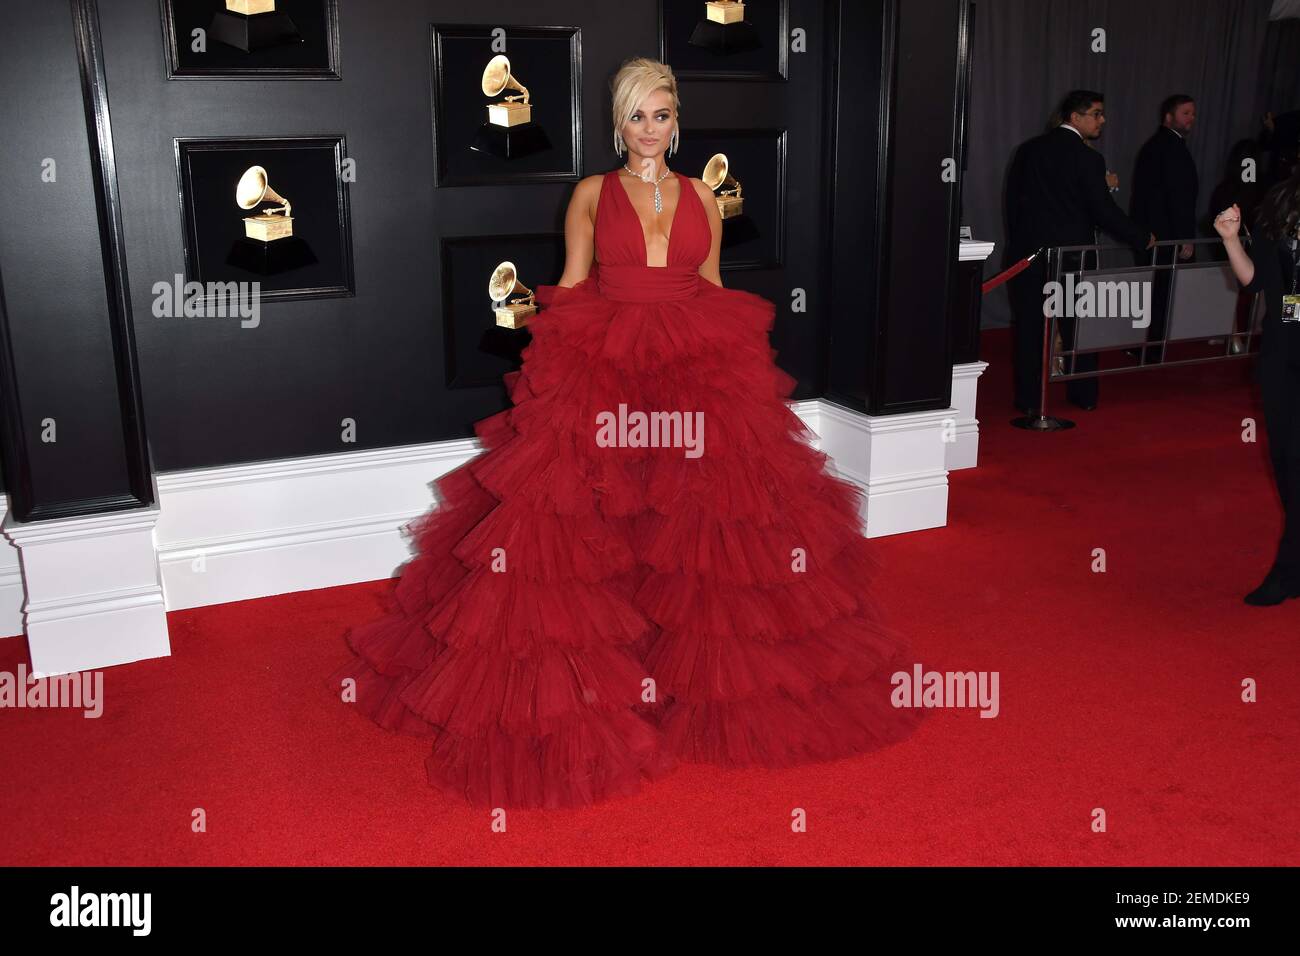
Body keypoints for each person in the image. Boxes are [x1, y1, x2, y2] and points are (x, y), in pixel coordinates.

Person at [328, 57, 923, 809]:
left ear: (679, 122)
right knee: (583, 522)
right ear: (618, 122)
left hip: (694, 366)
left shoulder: (703, 194)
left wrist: (737, 369)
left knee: (708, 528)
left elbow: (710, 285)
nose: (651, 129)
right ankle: (597, 681)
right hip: (604, 364)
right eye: (638, 115)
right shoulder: (589, 194)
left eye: (663, 115)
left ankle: (696, 683)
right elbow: (574, 283)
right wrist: (550, 376)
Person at [1007, 90, 1155, 414]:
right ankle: (1083, 395)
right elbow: (1103, 211)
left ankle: (1028, 399)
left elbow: (1013, 206)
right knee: (1081, 328)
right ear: (1076, 117)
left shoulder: (1028, 150)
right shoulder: (1089, 158)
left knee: (1030, 329)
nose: (1103, 121)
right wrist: (1141, 237)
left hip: (1027, 258)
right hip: (1073, 258)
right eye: (1097, 114)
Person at [1214, 167, 1300, 605]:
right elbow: (1255, 280)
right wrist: (1231, 238)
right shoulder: (1281, 205)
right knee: (1285, 461)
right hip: (1284, 346)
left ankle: (1287, 571)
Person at [1129, 94, 1199, 362]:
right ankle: (1153, 348)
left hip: (1149, 234)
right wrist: (1185, 238)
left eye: (1193, 113)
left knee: (1151, 290)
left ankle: (1146, 345)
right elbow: (1179, 198)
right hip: (1166, 236)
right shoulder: (1172, 148)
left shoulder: (1155, 145)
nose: (1191, 118)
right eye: (1185, 113)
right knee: (1160, 292)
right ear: (1168, 117)